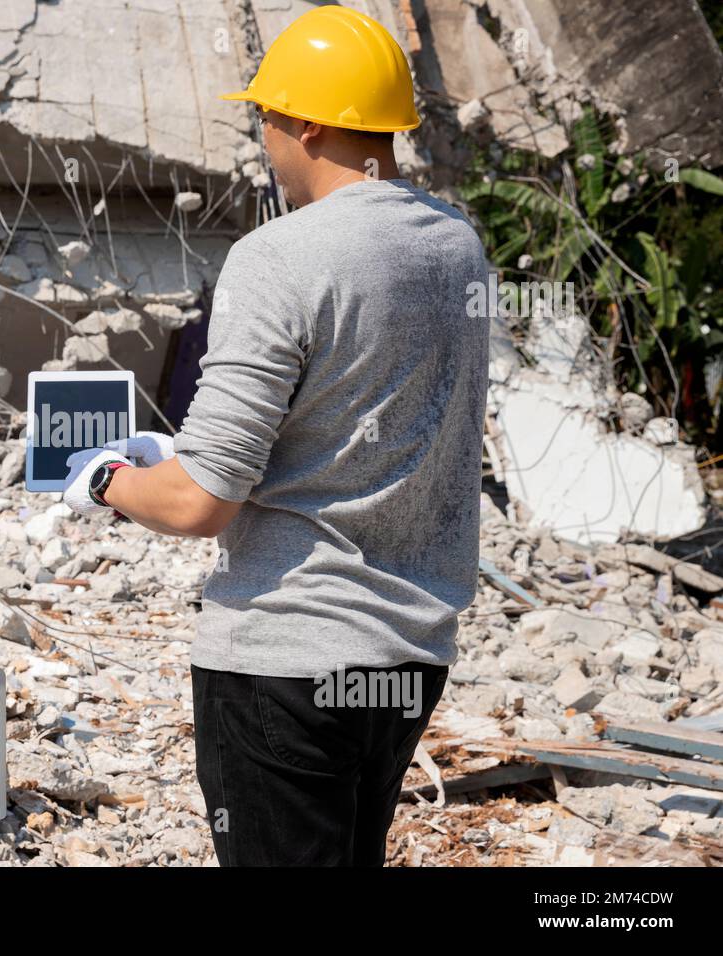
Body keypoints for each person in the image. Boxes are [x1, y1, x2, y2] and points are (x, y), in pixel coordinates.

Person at [62, 6, 491, 865]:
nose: (263, 139)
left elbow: (198, 503)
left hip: (286, 663)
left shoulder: (280, 255)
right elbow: (344, 431)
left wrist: (108, 481)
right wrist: (188, 457)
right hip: (407, 658)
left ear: (307, 122)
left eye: (266, 117)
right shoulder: (458, 249)